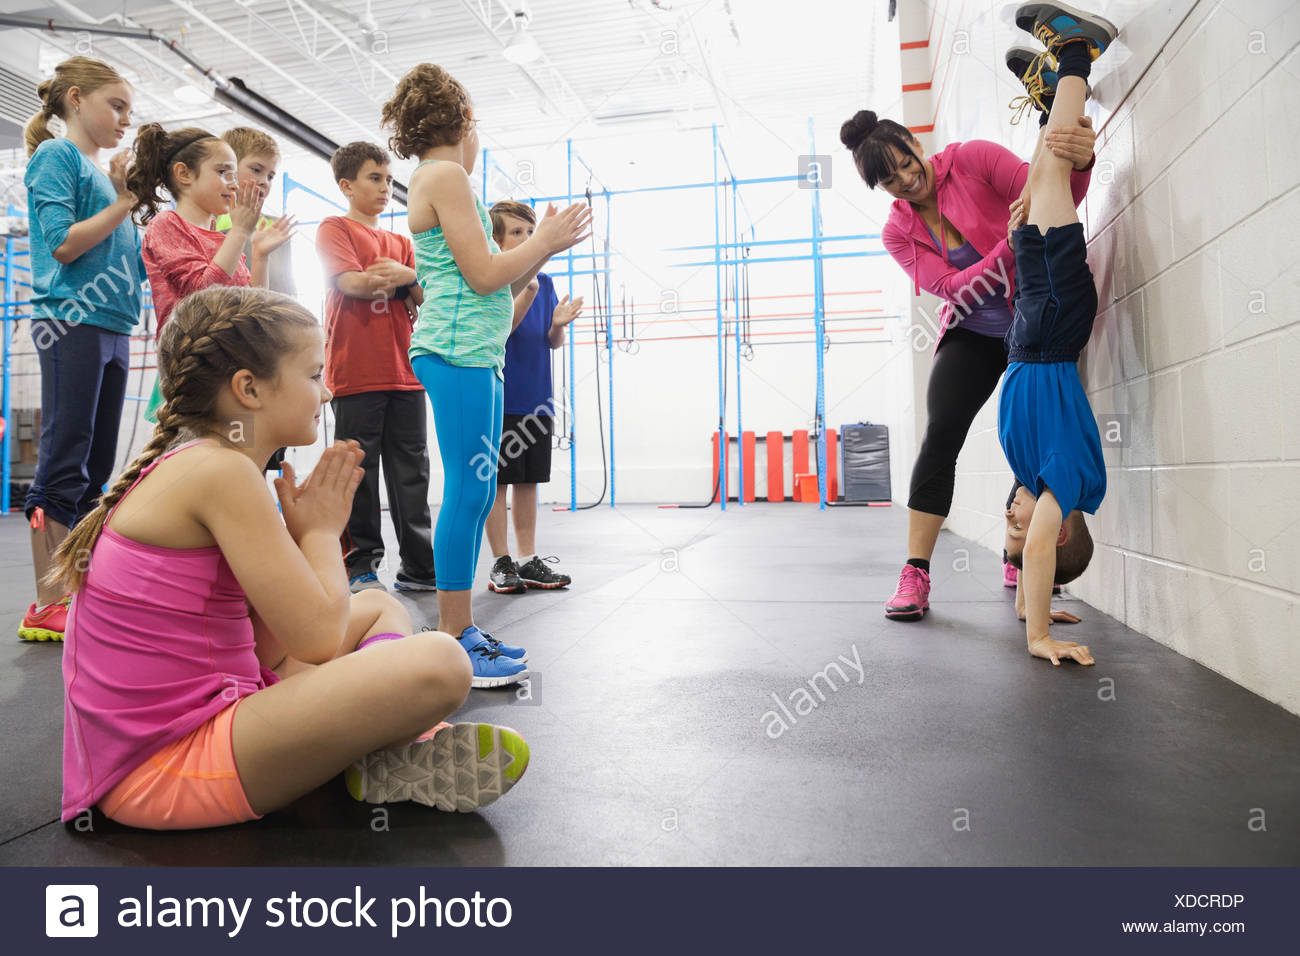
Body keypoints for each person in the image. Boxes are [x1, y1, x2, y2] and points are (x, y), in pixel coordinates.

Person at [52, 285, 529, 830]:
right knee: (442, 661)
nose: (326, 393)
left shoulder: (208, 464)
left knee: (375, 604)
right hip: (166, 770)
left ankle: (388, 745)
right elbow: (318, 640)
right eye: (312, 375)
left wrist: (307, 536)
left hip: (218, 707)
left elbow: (263, 637)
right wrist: (321, 535)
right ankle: (396, 741)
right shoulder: (221, 472)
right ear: (249, 389)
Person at [841, 54, 1097, 622]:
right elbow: (953, 290)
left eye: (907, 162)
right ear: (881, 187)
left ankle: (1015, 555)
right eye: (891, 180)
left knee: (1029, 438)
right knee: (942, 435)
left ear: (914, 142)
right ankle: (916, 573)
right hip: (975, 334)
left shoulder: (974, 160)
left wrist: (1083, 157)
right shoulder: (898, 231)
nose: (908, 180)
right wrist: (1010, 244)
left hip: (1036, 319)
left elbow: (1053, 194)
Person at [381, 63, 590, 687]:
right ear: (463, 123)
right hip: (457, 350)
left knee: (475, 493)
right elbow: (483, 275)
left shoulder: (441, 178)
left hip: (472, 350)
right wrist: (546, 241)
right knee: (471, 493)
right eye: (476, 123)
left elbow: (493, 278)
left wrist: (539, 252)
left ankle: (459, 630)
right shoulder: (445, 174)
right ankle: (453, 637)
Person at [1000, 2, 1119, 665]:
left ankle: (1053, 99)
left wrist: (1025, 599)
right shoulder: (1066, 483)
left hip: (1030, 328)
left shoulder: (1031, 475)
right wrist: (1040, 633)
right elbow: (1045, 547)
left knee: (1034, 192)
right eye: (1023, 532)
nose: (1013, 524)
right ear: (1062, 525)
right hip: (1057, 321)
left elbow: (1031, 557)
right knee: (1049, 174)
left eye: (1010, 537)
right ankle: (1079, 52)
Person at [18, 56, 146, 643]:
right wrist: (123, 203)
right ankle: (47, 600)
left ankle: (76, 588)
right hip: (69, 319)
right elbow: (63, 244)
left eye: (128, 109)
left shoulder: (104, 174)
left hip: (114, 324)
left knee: (96, 466)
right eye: (115, 105)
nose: (124, 119)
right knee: (64, 455)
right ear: (75, 99)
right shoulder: (57, 156)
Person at [316, 140, 436, 594]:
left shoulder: (404, 242)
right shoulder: (334, 228)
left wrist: (410, 278)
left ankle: (419, 567)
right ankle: (361, 564)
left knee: (412, 472)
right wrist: (406, 279)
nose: (386, 187)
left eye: (389, 179)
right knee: (358, 474)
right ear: (346, 185)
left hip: (406, 373)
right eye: (374, 178)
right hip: (355, 374)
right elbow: (354, 284)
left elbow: (424, 294)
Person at [484, 199, 584, 594]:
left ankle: (527, 559)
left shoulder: (545, 283)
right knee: (499, 483)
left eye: (531, 232)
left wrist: (558, 325)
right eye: (517, 233)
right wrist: (524, 291)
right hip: (502, 398)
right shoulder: (496, 282)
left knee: (529, 481)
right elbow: (500, 330)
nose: (528, 239)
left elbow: (551, 342)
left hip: (537, 398)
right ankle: (501, 561)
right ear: (497, 241)